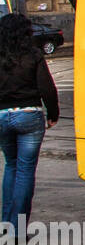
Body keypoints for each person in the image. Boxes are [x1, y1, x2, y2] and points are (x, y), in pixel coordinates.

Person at [0, 13, 59, 228]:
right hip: (29, 115)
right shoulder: (33, 55)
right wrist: (53, 114)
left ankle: (5, 222)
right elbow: (47, 88)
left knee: (11, 165)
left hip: (1, 117)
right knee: (25, 170)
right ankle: (18, 227)